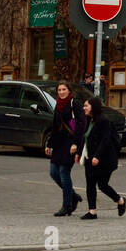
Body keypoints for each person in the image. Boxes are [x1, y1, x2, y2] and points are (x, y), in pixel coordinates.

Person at [79, 96, 125, 219]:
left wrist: (97, 156)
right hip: (90, 157)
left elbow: (105, 140)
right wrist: (79, 153)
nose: (84, 108)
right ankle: (92, 211)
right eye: (84, 106)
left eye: (86, 106)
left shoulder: (103, 120)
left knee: (102, 185)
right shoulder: (88, 119)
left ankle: (120, 200)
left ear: (93, 107)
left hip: (104, 158)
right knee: (90, 184)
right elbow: (84, 138)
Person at [44, 80, 84, 216]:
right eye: (59, 90)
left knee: (63, 172)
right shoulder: (58, 105)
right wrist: (49, 144)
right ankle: (73, 195)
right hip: (59, 143)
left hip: (70, 143)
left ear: (69, 90)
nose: (61, 92)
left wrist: (75, 144)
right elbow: (55, 126)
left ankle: (67, 205)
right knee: (53, 172)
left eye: (64, 89)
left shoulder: (75, 104)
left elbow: (81, 125)